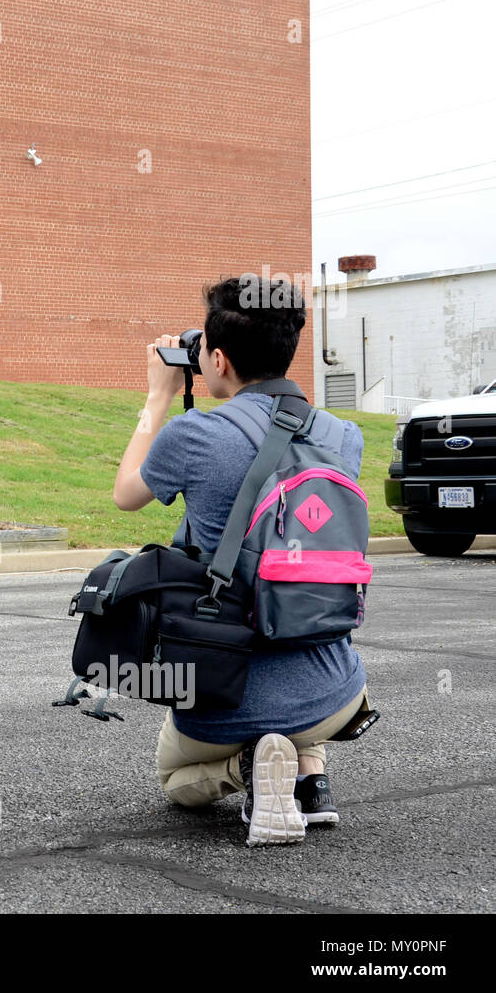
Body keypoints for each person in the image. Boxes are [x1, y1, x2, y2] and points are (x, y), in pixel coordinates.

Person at [111, 276, 372, 846]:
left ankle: (250, 766)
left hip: (226, 695)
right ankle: (311, 779)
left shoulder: (196, 432)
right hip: (337, 692)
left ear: (219, 360)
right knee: (292, 600)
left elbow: (126, 493)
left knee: (174, 777)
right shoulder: (343, 437)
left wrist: (158, 395)